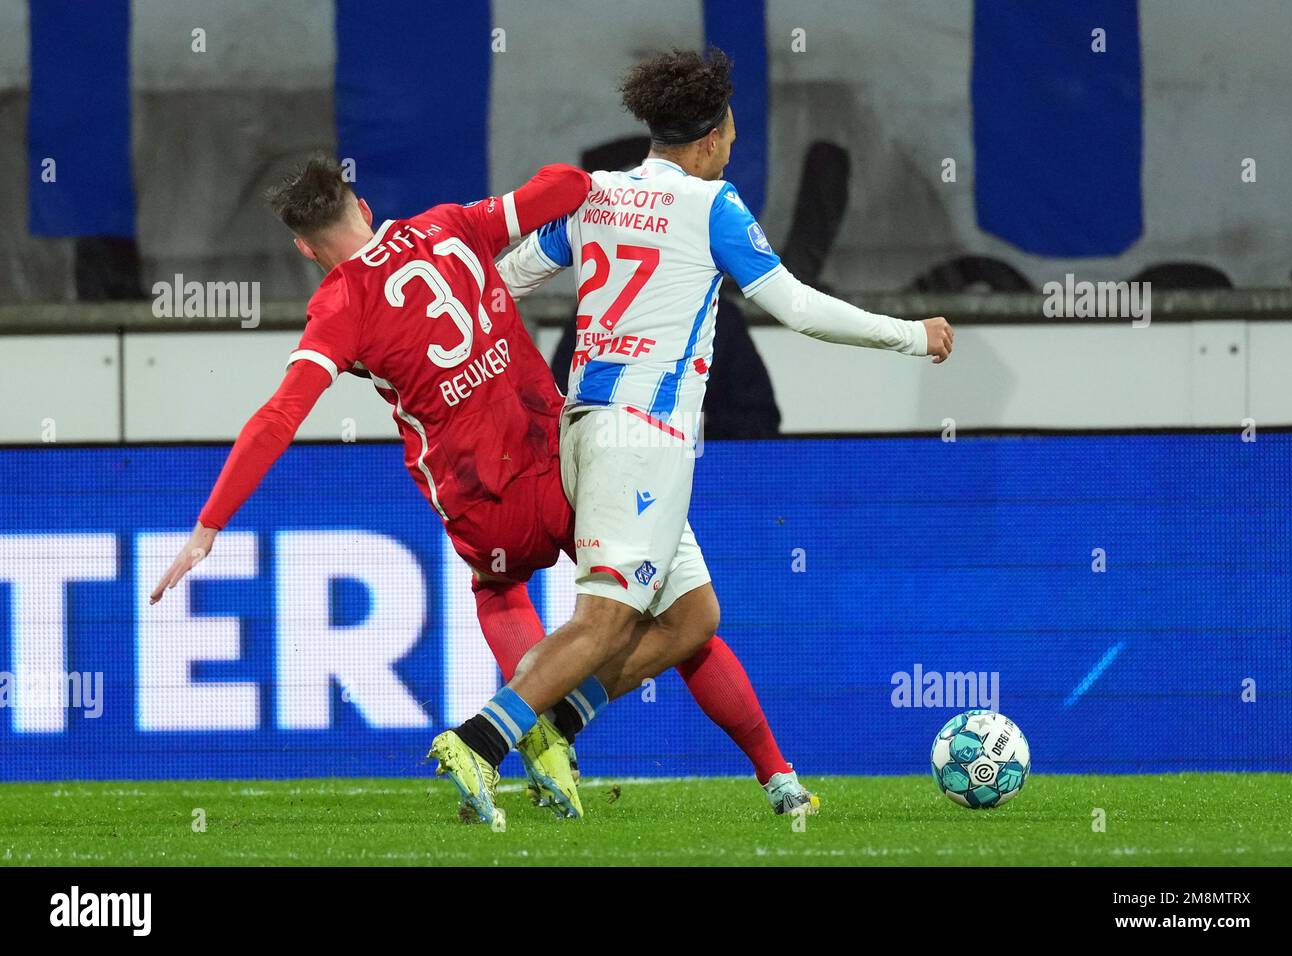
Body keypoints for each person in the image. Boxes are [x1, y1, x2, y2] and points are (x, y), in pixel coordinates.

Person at [149, 156, 813, 821]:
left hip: (483, 500)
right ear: (366, 208)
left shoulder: (339, 304)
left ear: (304, 246)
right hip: (565, 462)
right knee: (678, 617)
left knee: (498, 589)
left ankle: (537, 733)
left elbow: (278, 417)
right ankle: (776, 776)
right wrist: (628, 184)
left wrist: (209, 526)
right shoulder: (450, 225)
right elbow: (564, 186)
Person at [431, 47, 953, 823]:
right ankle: (478, 742)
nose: (734, 143)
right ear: (711, 136)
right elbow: (798, 307)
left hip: (583, 431)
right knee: (604, 621)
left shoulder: (595, 196)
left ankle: (563, 725)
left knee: (692, 618)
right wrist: (913, 335)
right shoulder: (715, 208)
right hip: (644, 441)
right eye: (732, 131)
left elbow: (500, 281)